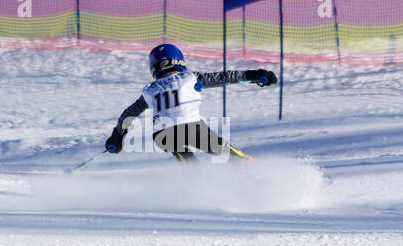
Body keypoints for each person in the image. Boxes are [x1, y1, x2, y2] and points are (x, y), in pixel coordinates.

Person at [104, 43, 276, 162]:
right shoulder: (190, 77)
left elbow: (129, 114)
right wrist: (256, 75)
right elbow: (225, 78)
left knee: (182, 155)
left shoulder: (150, 89)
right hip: (192, 126)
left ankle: (194, 182)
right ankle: (245, 165)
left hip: (163, 133)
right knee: (223, 151)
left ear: (154, 68)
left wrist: (118, 136)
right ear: (179, 61)